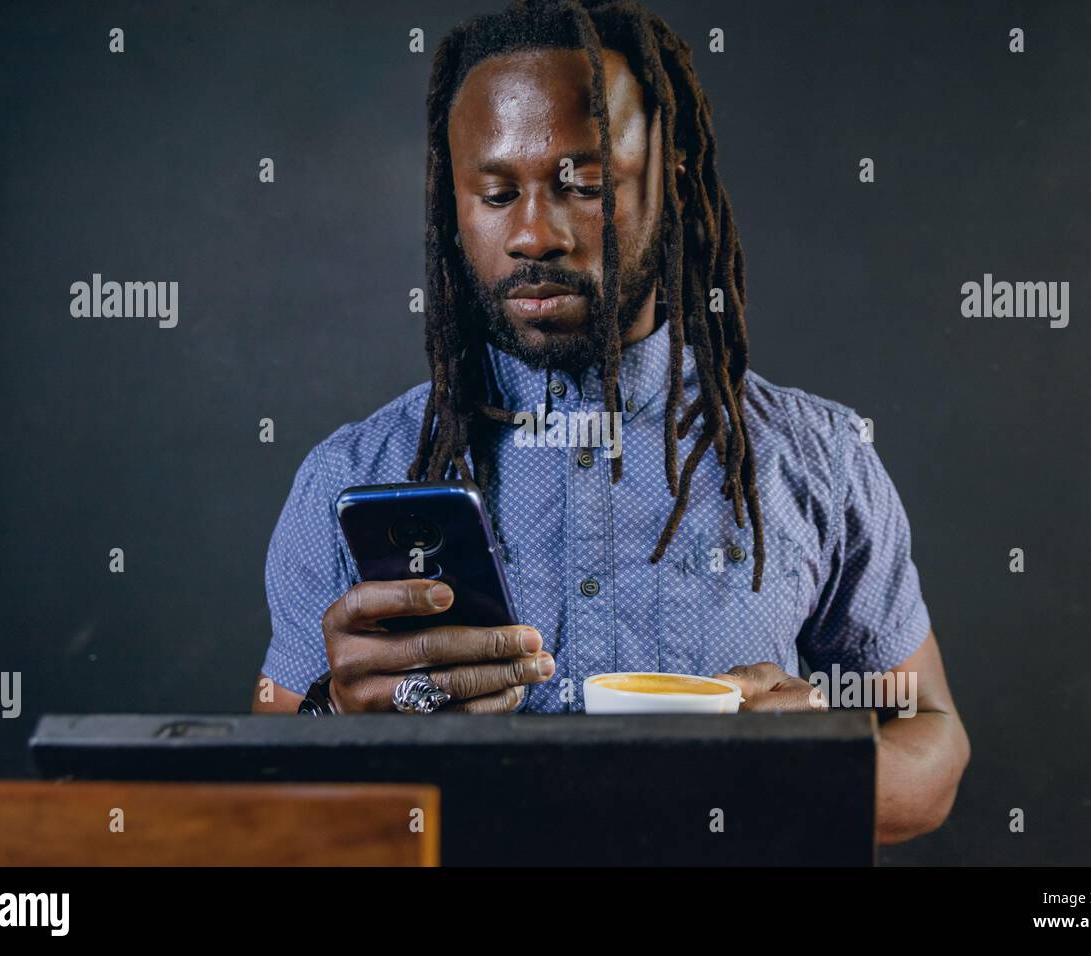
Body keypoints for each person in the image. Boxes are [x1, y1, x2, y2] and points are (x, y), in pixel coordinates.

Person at [253, 0, 969, 844]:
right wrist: (337, 719)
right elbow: (263, 807)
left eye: (584, 186)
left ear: (669, 179)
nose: (532, 233)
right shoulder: (350, 475)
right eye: (493, 193)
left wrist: (814, 770)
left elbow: (932, 741)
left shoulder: (818, 459)